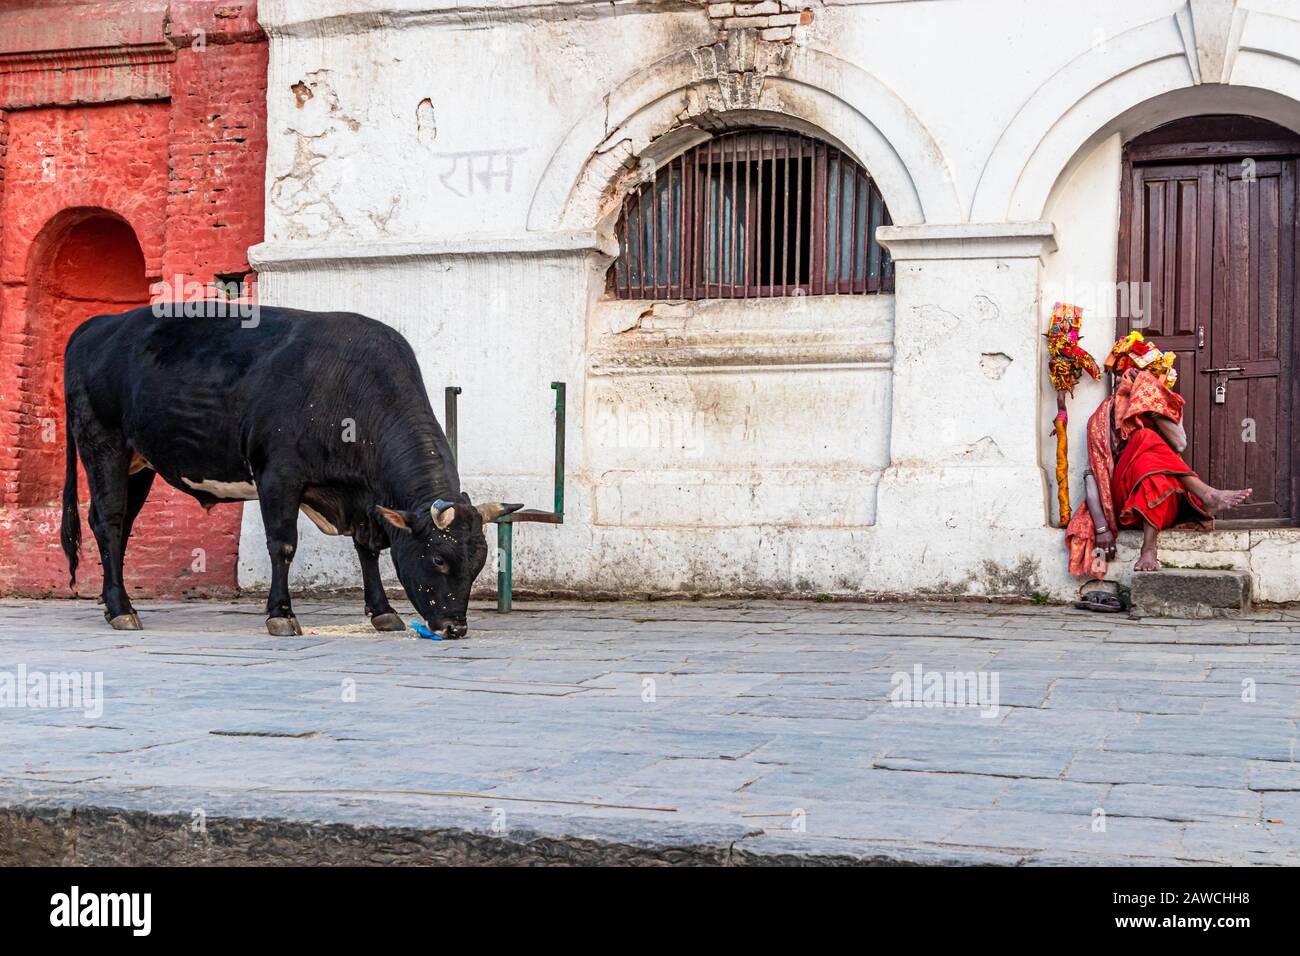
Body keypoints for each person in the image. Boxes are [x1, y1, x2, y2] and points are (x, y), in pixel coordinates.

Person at [1067, 337, 1251, 574]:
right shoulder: (1102, 418)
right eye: (1125, 376)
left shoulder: (1162, 409)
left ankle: (1149, 550)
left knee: (1154, 472)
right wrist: (1101, 527)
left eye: (1137, 377)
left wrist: (1151, 408)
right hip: (1125, 507)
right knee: (1144, 438)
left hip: (1165, 504)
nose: (1128, 381)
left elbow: (1180, 444)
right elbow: (1092, 474)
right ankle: (1206, 493)